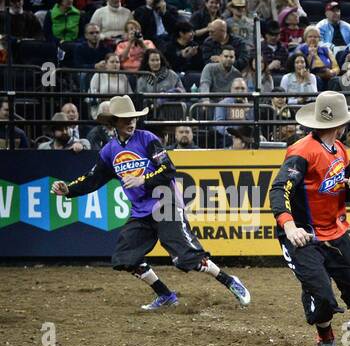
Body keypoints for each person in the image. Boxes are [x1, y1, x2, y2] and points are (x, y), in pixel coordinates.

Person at [51, 96, 251, 312]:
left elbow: (168, 169)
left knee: (187, 258)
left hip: (165, 203)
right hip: (141, 212)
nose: (131, 122)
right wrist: (69, 189)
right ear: (113, 123)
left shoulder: (147, 139)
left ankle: (230, 281)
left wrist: (142, 180)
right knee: (124, 258)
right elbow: (93, 178)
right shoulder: (109, 151)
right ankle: (165, 295)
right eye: (124, 119)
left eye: (133, 118)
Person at [269, 90, 350, 346]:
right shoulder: (302, 152)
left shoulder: (340, 151)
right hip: (304, 236)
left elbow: (346, 185)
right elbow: (279, 190)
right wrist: (289, 227)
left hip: (335, 232)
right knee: (321, 294)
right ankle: (325, 337)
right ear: (341, 124)